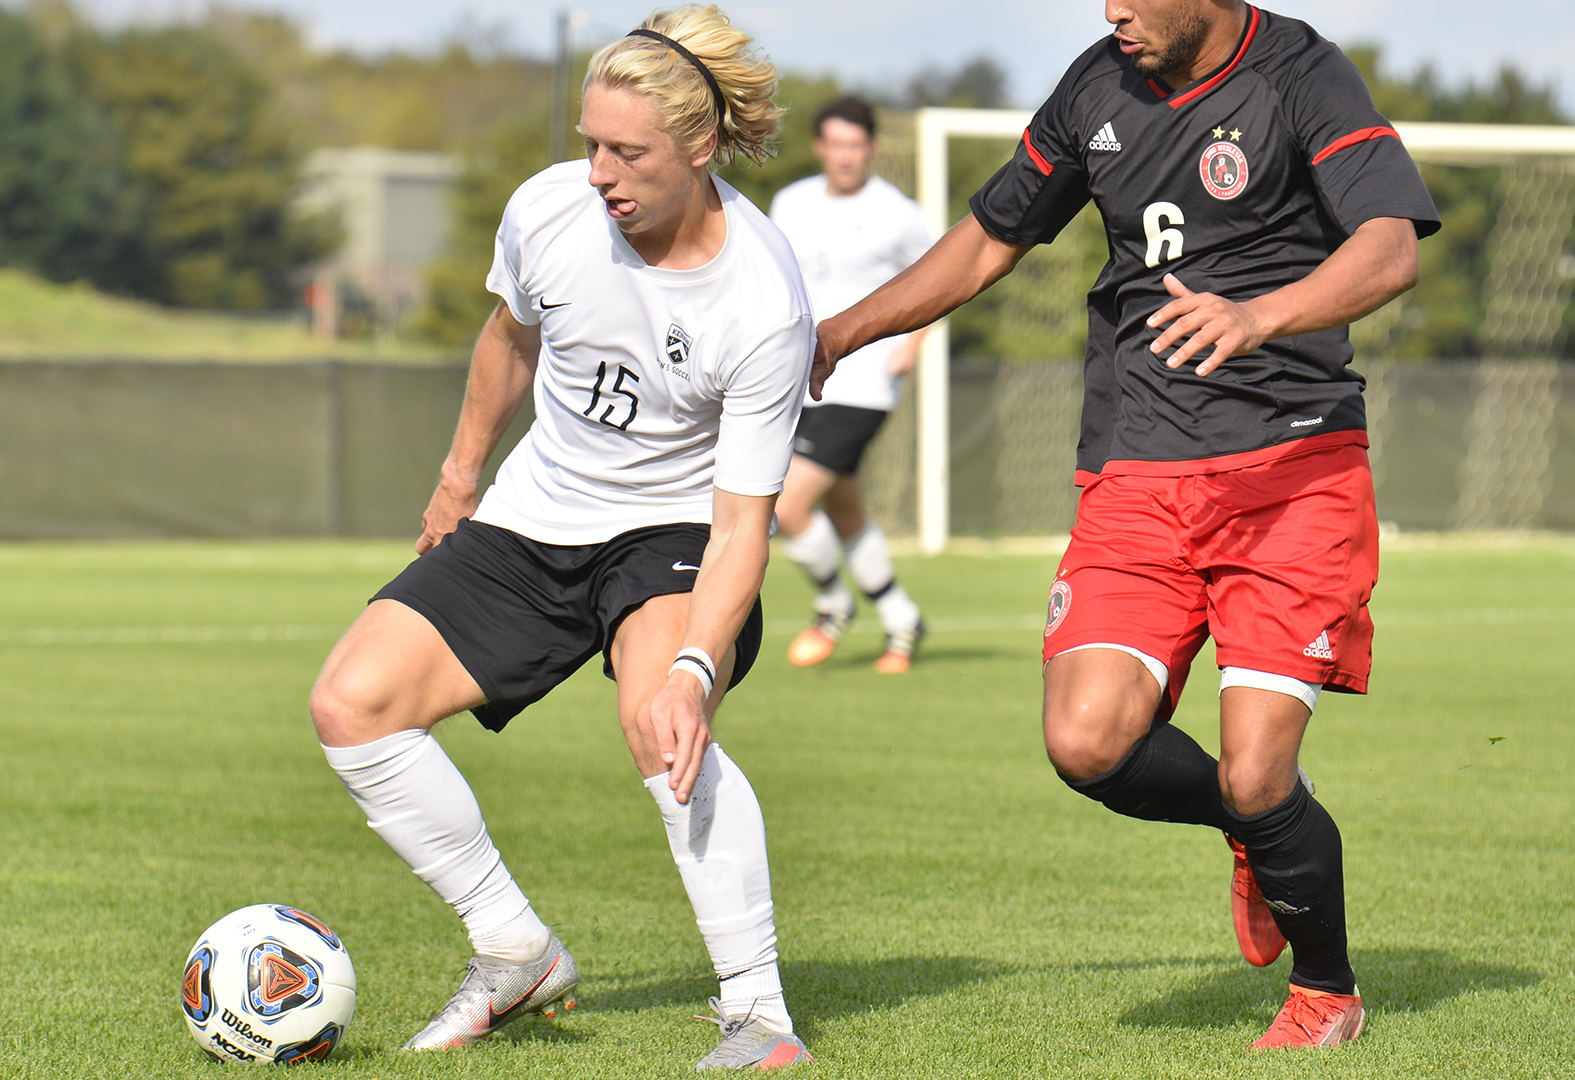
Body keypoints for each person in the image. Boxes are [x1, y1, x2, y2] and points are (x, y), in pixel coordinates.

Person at [811, 0, 1437, 1051]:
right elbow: (989, 240)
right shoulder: (1096, 80)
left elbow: (1389, 248)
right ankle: (1256, 824)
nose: (1114, 11)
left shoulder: (1301, 72)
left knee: (1255, 769)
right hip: (1138, 465)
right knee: (1086, 741)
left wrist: (1258, 315)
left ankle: (1326, 992)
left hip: (1292, 471)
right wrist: (839, 333)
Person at [307, 6, 814, 1071]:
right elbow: (510, 339)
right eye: (591, 143)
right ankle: (514, 949)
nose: (599, 173)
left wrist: (694, 669)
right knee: (352, 705)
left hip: (674, 527)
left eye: (628, 153)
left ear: (700, 148)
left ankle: (760, 1016)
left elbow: (740, 524)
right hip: (534, 515)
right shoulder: (547, 209)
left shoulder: (764, 297)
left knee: (660, 723)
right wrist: (459, 479)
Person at [768, 96, 934, 673]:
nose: (845, 155)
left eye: (855, 145)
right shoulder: (791, 203)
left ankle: (832, 603)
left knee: (787, 503)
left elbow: (938, 278)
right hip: (801, 379)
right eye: (835, 144)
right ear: (820, 147)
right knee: (845, 511)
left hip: (865, 383)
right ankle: (901, 617)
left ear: (871, 148)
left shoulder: (897, 213)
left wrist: (912, 344)